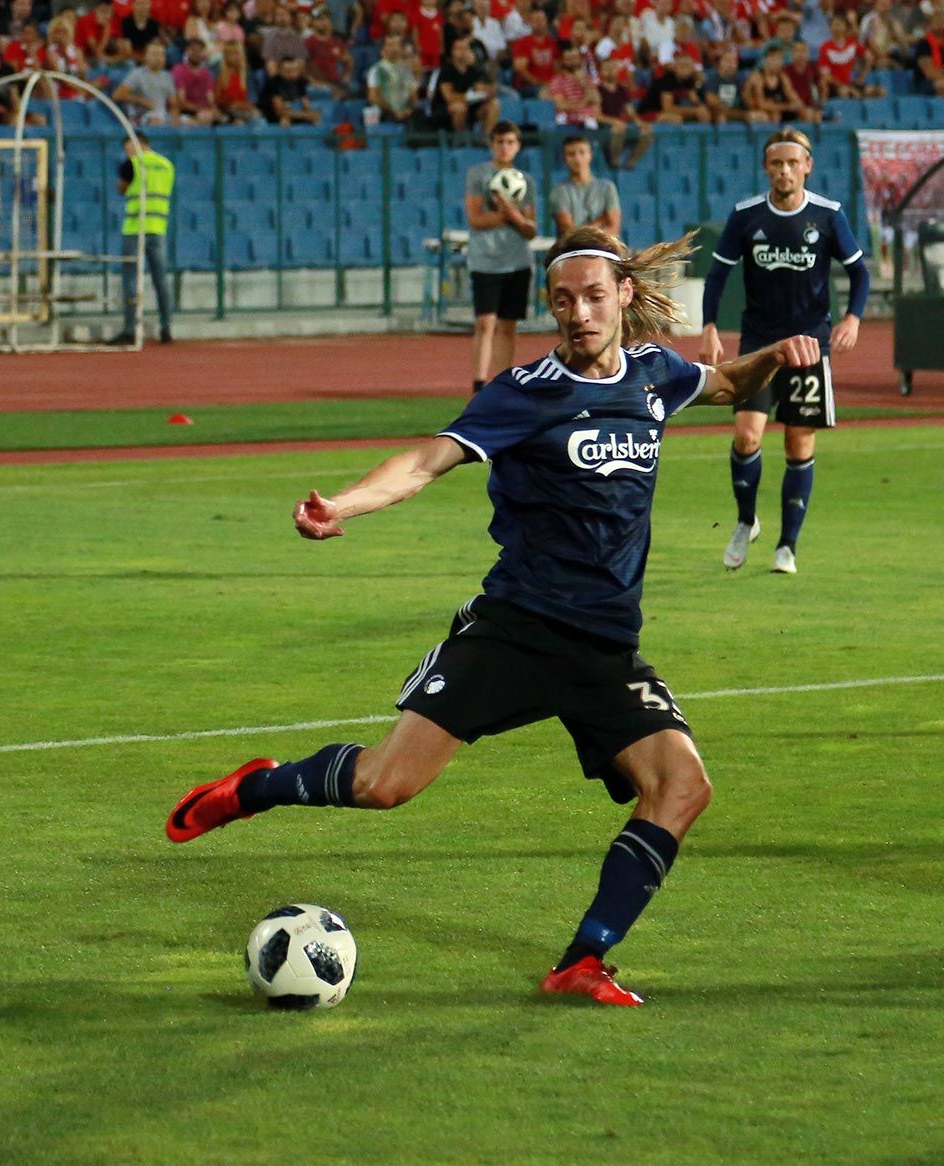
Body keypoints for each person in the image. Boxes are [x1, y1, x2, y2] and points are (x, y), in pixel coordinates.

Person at [164, 226, 827, 1009]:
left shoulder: (654, 375)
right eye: (562, 300)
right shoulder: (524, 391)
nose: (577, 313)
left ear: (622, 296)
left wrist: (776, 357)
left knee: (682, 787)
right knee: (384, 786)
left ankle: (584, 960)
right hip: (515, 630)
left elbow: (720, 385)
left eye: (591, 296)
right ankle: (259, 788)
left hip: (605, 650)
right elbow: (423, 462)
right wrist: (342, 504)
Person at [699, 127, 870, 575]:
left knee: (799, 441)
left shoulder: (829, 215)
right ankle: (745, 520)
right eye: (777, 163)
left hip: (811, 344)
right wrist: (711, 327)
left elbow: (860, 274)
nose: (785, 171)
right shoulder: (746, 216)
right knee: (746, 436)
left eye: (793, 163)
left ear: (807, 166)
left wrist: (852, 318)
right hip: (759, 343)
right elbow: (716, 276)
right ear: (766, 168)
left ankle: (787, 546)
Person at [464, 120, 536, 395]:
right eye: (499, 142)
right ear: (491, 144)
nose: (504, 147)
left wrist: (512, 214)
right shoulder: (478, 174)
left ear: (517, 146)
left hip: (516, 260)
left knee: (508, 325)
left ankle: (503, 383)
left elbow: (530, 228)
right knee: (485, 322)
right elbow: (475, 218)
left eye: (510, 142)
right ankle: (480, 383)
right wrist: (507, 215)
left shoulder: (526, 181)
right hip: (485, 260)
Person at [112, 136, 175, 345]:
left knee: (130, 277)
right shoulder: (166, 165)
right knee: (161, 279)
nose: (127, 151)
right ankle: (166, 327)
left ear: (136, 143)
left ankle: (130, 328)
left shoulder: (132, 164)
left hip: (134, 227)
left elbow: (121, 189)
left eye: (127, 145)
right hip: (158, 227)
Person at [550, 134, 621, 238]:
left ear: (590, 155)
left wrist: (583, 231)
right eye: (571, 154)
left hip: (604, 249)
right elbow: (569, 231)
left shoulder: (607, 187)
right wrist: (599, 221)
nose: (577, 158)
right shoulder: (559, 191)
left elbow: (614, 229)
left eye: (582, 152)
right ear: (565, 158)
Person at [114, 40, 180, 125]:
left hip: (162, 116)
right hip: (140, 117)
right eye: (155, 54)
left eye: (161, 54)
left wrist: (175, 117)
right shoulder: (137, 74)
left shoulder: (167, 76)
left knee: (194, 122)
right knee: (156, 123)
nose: (158, 58)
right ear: (146, 56)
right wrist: (141, 100)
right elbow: (117, 95)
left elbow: (173, 104)